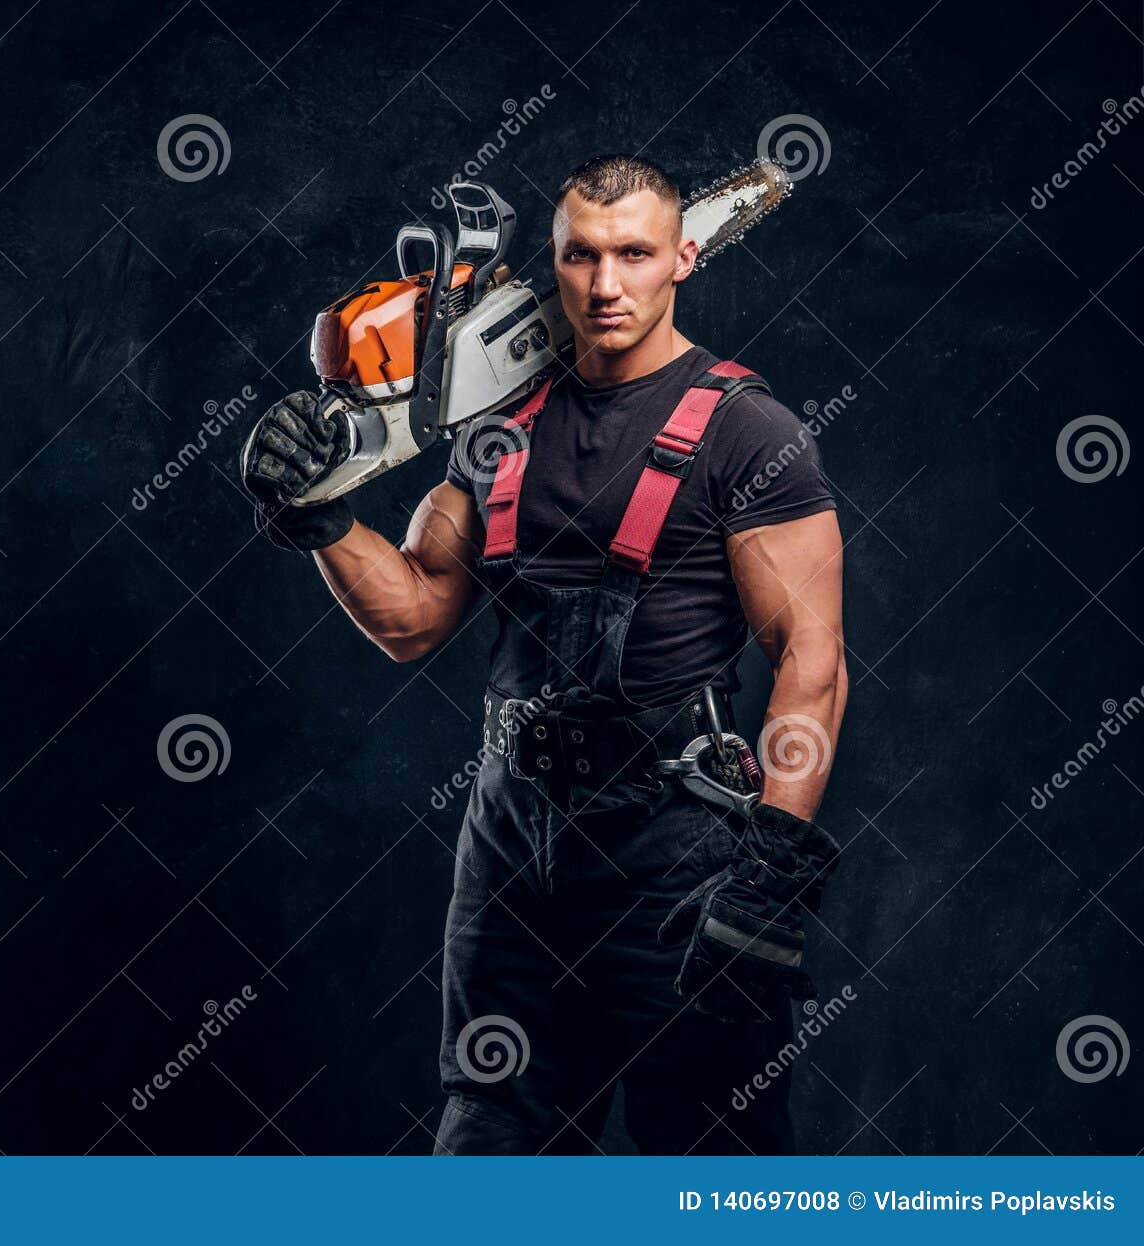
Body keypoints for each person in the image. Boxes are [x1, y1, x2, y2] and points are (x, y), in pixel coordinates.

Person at [240, 154, 847, 1155]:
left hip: (675, 852)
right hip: (513, 849)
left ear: (684, 256)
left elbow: (810, 658)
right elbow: (413, 614)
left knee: (712, 1160)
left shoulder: (749, 432)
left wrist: (772, 868)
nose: (605, 285)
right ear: (551, 263)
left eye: (634, 255)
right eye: (581, 256)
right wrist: (318, 518)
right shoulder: (499, 427)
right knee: (488, 1145)